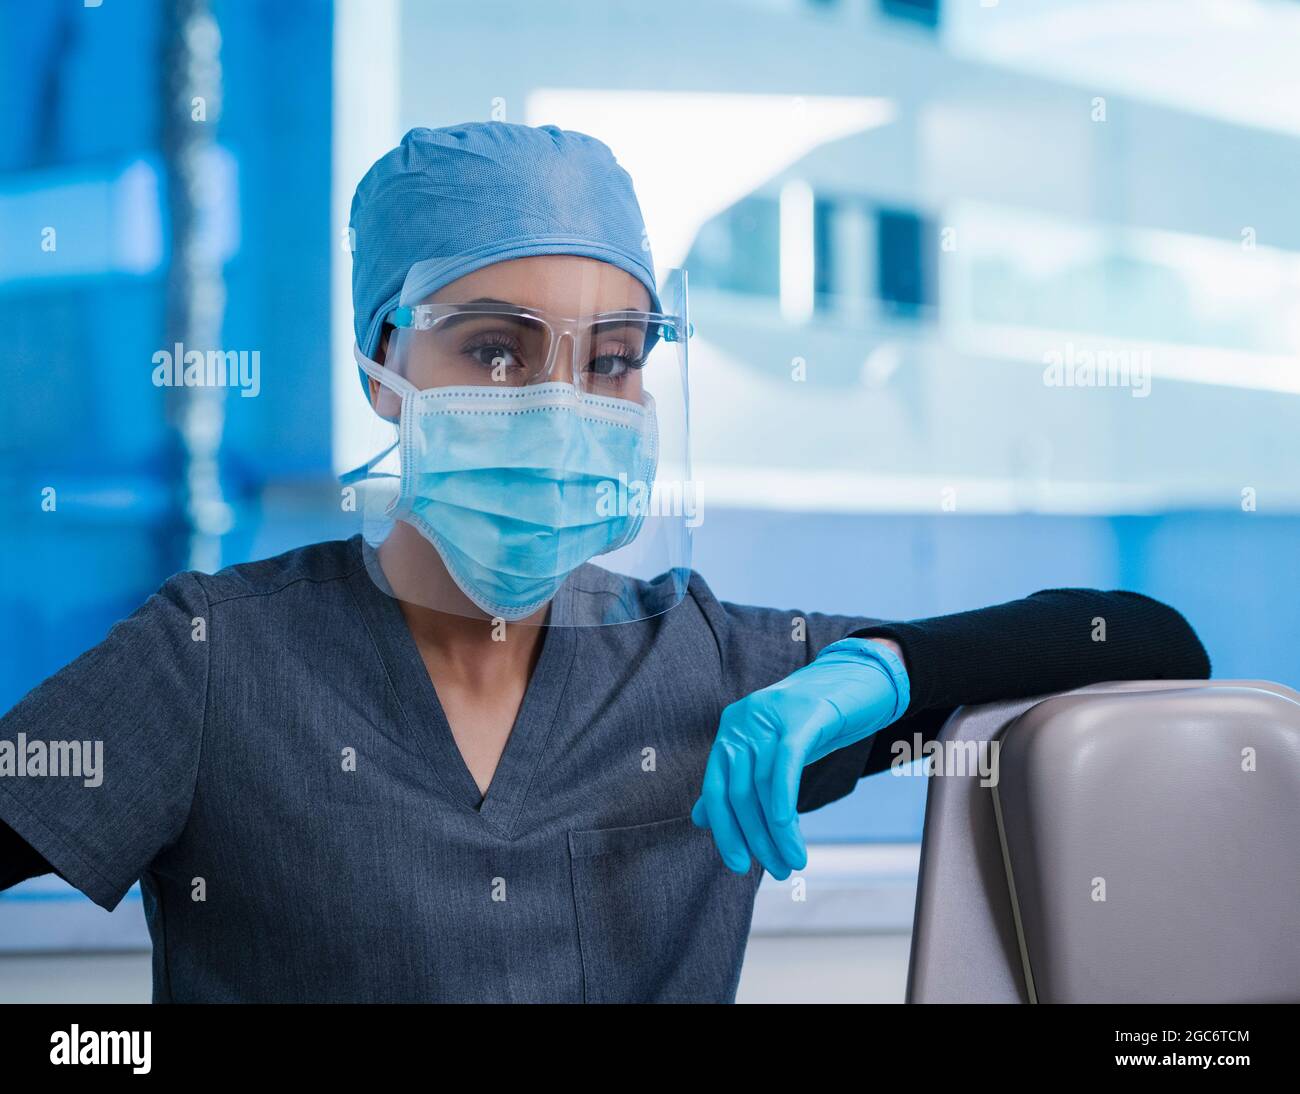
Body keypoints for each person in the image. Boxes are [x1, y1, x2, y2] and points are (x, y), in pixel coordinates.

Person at [0, 123, 1210, 1003]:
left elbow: (1151, 641)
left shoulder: (715, 674)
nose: (562, 403)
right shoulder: (216, 658)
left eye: (613, 357)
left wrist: (876, 674)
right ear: (383, 365)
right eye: (494, 350)